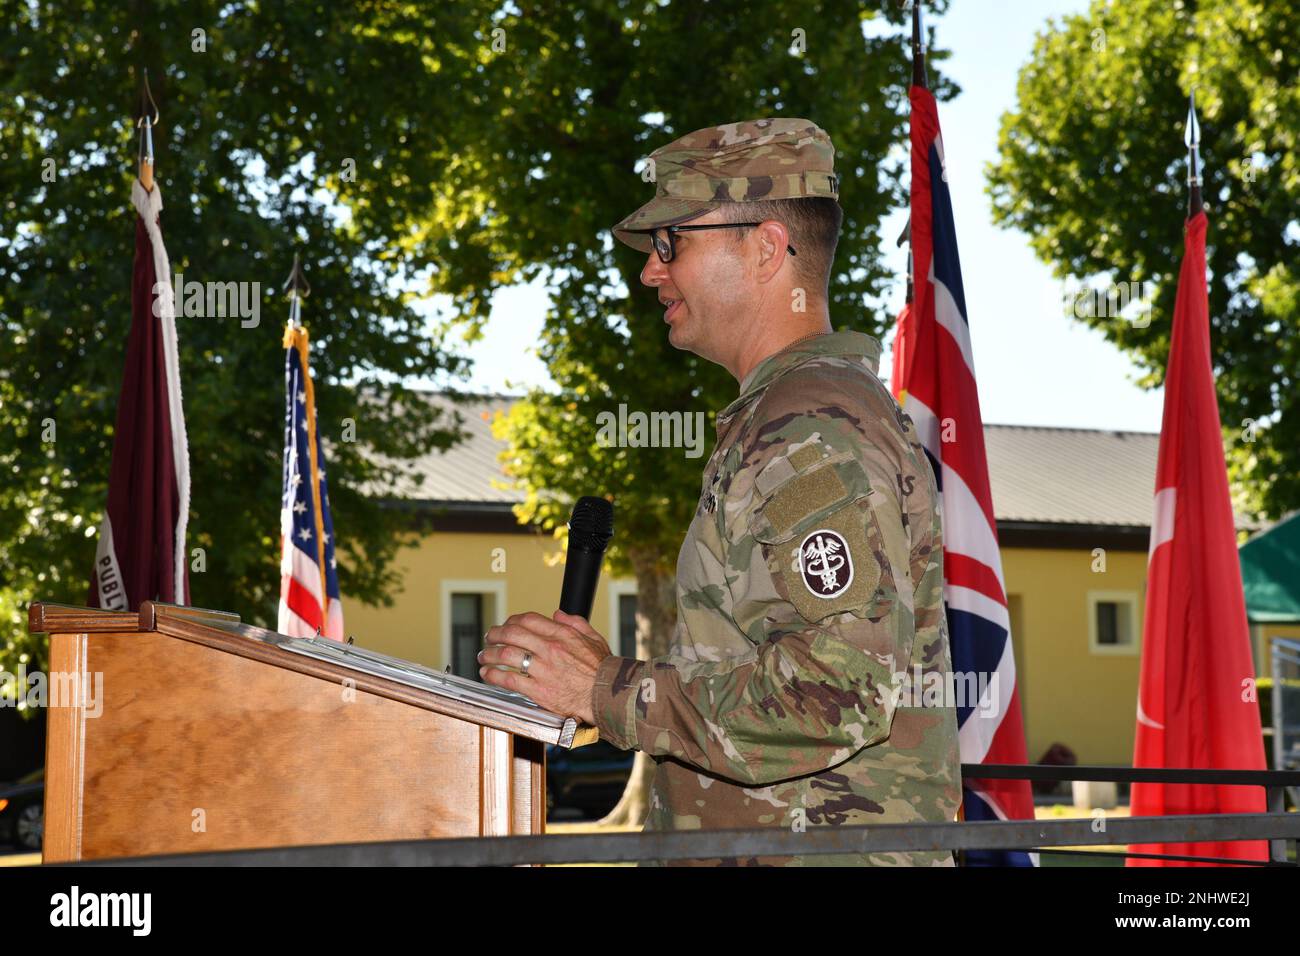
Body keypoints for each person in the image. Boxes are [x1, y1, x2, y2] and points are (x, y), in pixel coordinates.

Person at [479, 118, 961, 866]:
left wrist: (606, 690)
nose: (651, 272)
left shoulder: (808, 428)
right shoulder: (792, 417)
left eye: (673, 243)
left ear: (766, 247)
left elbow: (839, 692)